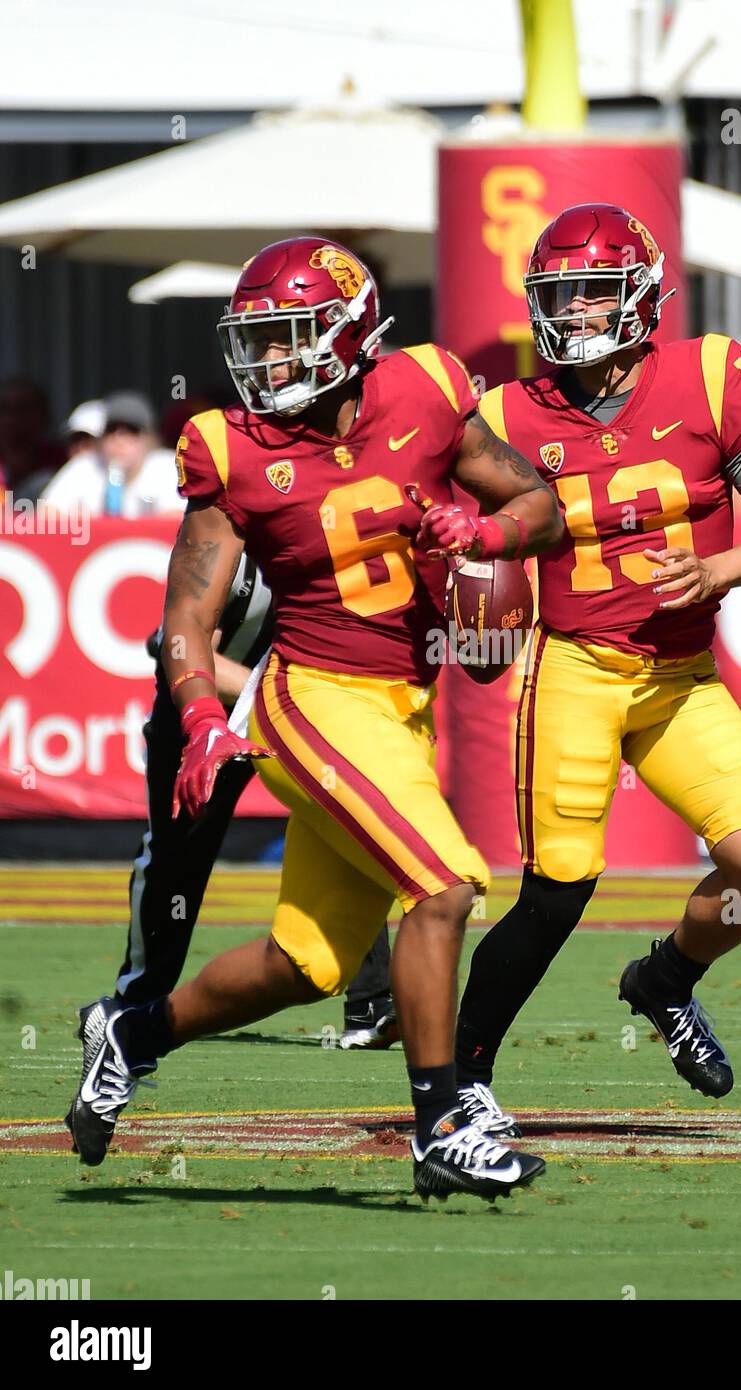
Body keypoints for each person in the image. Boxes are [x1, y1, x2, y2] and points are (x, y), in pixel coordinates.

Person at [65, 235, 562, 1200]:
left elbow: (538, 505)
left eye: (289, 339)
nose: (269, 363)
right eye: (258, 341)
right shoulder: (233, 446)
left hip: (403, 706)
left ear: (348, 335)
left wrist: (484, 531)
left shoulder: (424, 390)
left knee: (308, 963)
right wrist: (203, 713)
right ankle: (444, 1122)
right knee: (447, 885)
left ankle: (130, 1032)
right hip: (312, 699)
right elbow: (187, 617)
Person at [452, 203, 741, 1133]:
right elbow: (461, 537)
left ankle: (665, 981)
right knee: (557, 891)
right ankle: (463, 1076)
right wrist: (466, 595)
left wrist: (717, 569)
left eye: (592, 293)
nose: (573, 315)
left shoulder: (706, 377)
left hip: (681, 674)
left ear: (642, 296)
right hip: (576, 666)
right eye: (559, 296)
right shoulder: (503, 415)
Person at [108, 555, 397, 1049]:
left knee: (347, 825)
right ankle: (135, 1002)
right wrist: (281, 694)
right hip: (206, 716)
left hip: (289, 705)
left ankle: (371, 1001)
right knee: (178, 856)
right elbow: (181, 649)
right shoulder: (225, 545)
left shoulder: (330, 531)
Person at [42, 391, 183, 517]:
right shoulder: (84, 465)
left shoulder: (165, 466)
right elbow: (46, 513)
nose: (119, 439)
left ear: (148, 439)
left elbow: (177, 518)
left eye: (131, 430)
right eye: (111, 430)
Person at [0, 377, 65, 502]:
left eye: (22, 410)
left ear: (44, 417)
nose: (11, 419)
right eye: (3, 410)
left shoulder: (62, 463)